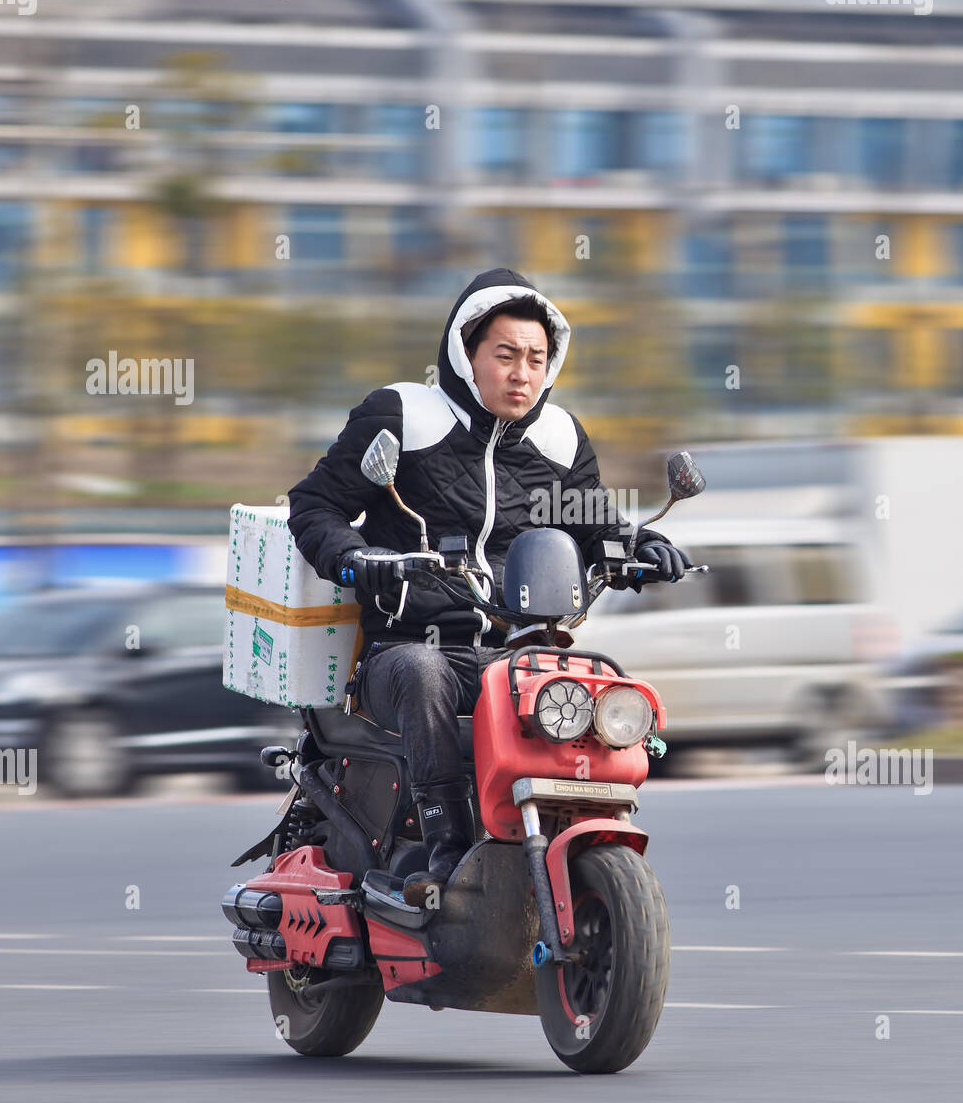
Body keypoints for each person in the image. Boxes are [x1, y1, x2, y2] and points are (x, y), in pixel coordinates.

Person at [287, 267, 689, 905]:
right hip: (405, 649)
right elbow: (313, 507)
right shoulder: (402, 416)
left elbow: (594, 520)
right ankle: (445, 849)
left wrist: (643, 547)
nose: (521, 373)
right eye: (505, 355)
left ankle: (583, 842)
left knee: (596, 689)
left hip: (518, 652)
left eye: (536, 358)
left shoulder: (559, 439)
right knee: (423, 673)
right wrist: (357, 559)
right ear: (465, 354)